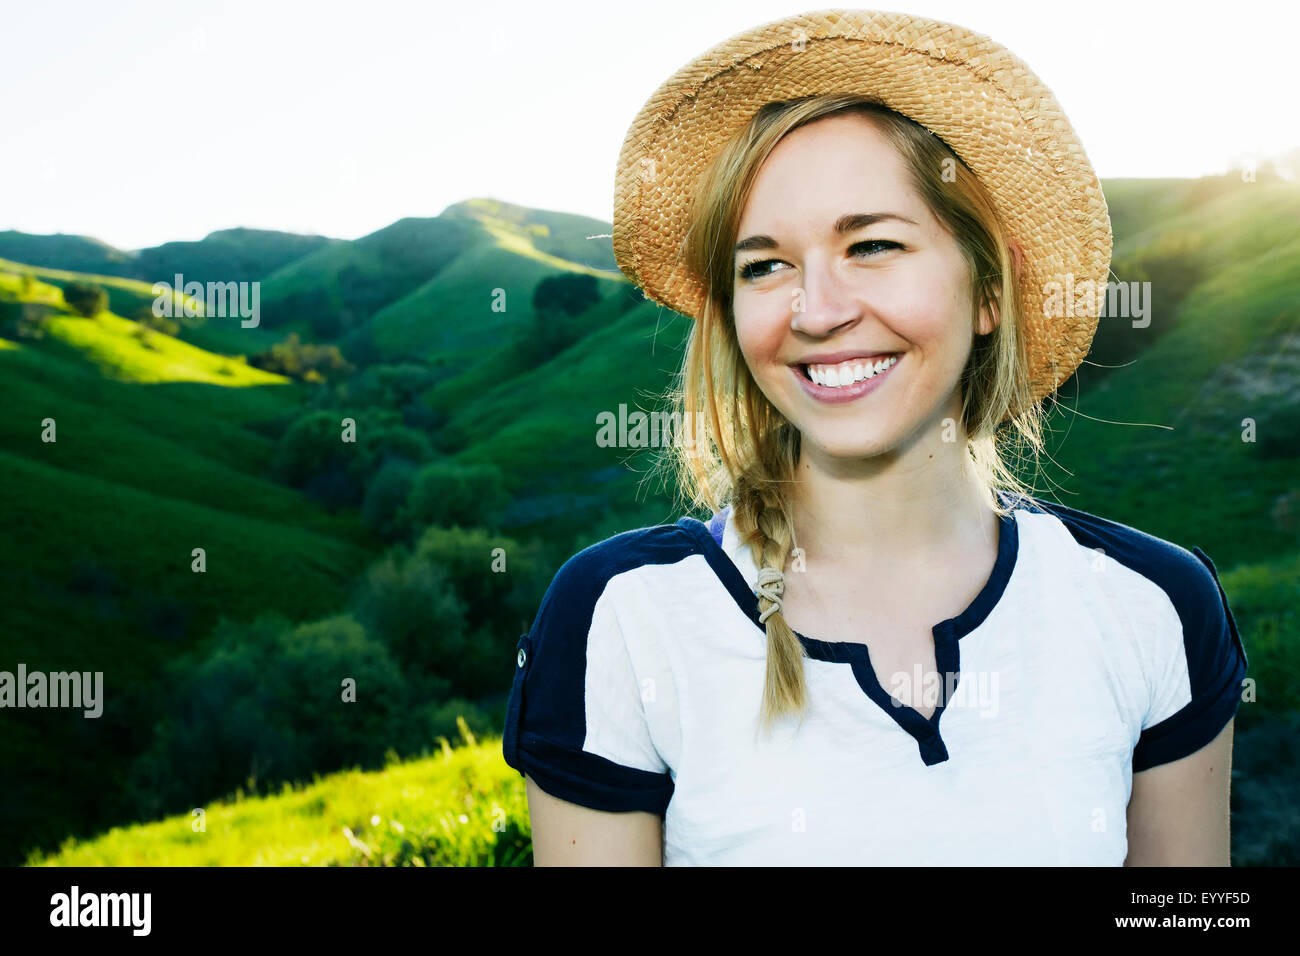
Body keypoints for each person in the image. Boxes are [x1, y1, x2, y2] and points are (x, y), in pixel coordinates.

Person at [502, 9, 1249, 866]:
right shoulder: (620, 620)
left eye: (874, 245)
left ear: (987, 290)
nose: (817, 311)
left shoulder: (1152, 606)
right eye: (765, 264)